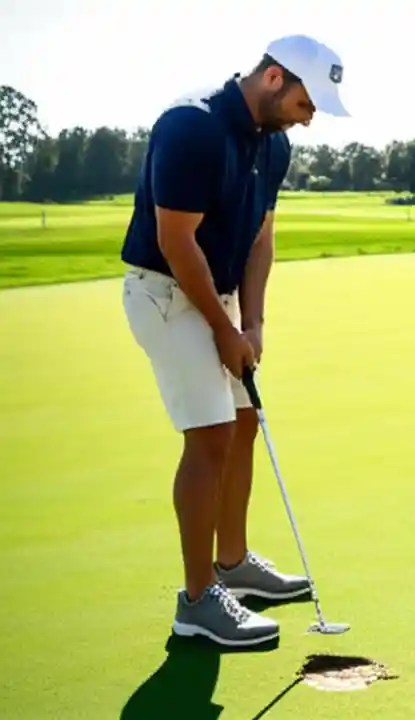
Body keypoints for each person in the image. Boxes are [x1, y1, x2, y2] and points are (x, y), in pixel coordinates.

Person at [120, 35, 350, 647]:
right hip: (165, 291)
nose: (313, 114)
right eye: (308, 100)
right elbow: (176, 242)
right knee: (211, 435)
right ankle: (196, 603)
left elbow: (259, 239)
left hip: (218, 296)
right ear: (274, 78)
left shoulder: (274, 146)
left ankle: (234, 563)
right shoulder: (190, 127)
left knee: (244, 423)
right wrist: (223, 332)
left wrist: (252, 325)